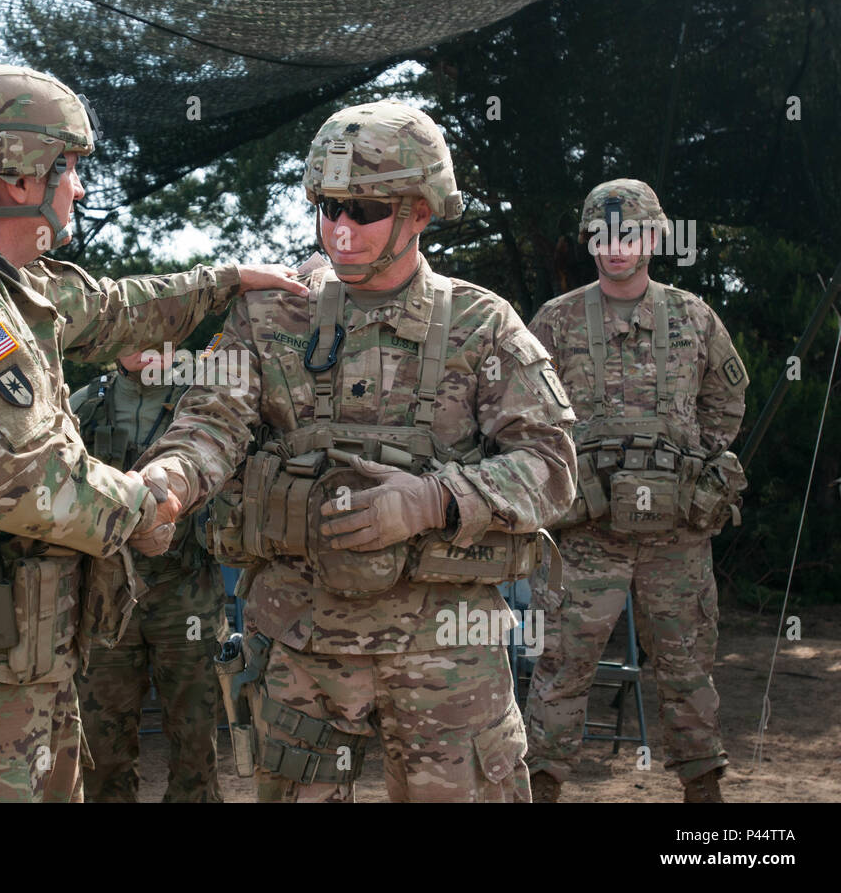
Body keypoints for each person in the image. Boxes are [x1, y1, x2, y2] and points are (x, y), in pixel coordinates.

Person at [0, 62, 306, 803]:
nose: (80, 188)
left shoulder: (5, 283)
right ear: (16, 179)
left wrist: (227, 281)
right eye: (68, 168)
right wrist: (149, 506)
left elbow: (117, 308)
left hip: (14, 656)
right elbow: (36, 484)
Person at [134, 99, 577, 802]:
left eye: (365, 209)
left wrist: (434, 499)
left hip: (445, 650)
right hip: (300, 642)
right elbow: (213, 419)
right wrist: (170, 478)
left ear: (421, 211)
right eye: (329, 206)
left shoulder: (480, 325)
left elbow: (552, 469)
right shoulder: (274, 313)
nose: (341, 227)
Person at [523, 178, 749, 803]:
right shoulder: (557, 319)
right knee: (561, 668)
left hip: (674, 537)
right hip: (587, 534)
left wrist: (690, 466)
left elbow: (727, 399)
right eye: (602, 235)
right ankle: (540, 787)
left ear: (654, 236)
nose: (615, 248)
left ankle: (705, 801)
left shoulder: (693, 316)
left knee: (687, 670)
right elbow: (526, 412)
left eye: (628, 234)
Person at [69, 346, 228, 802]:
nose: (144, 343)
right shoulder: (84, 404)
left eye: (157, 331)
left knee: (196, 737)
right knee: (100, 740)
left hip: (186, 588)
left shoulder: (201, 401)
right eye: (133, 330)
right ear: (114, 339)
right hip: (106, 593)